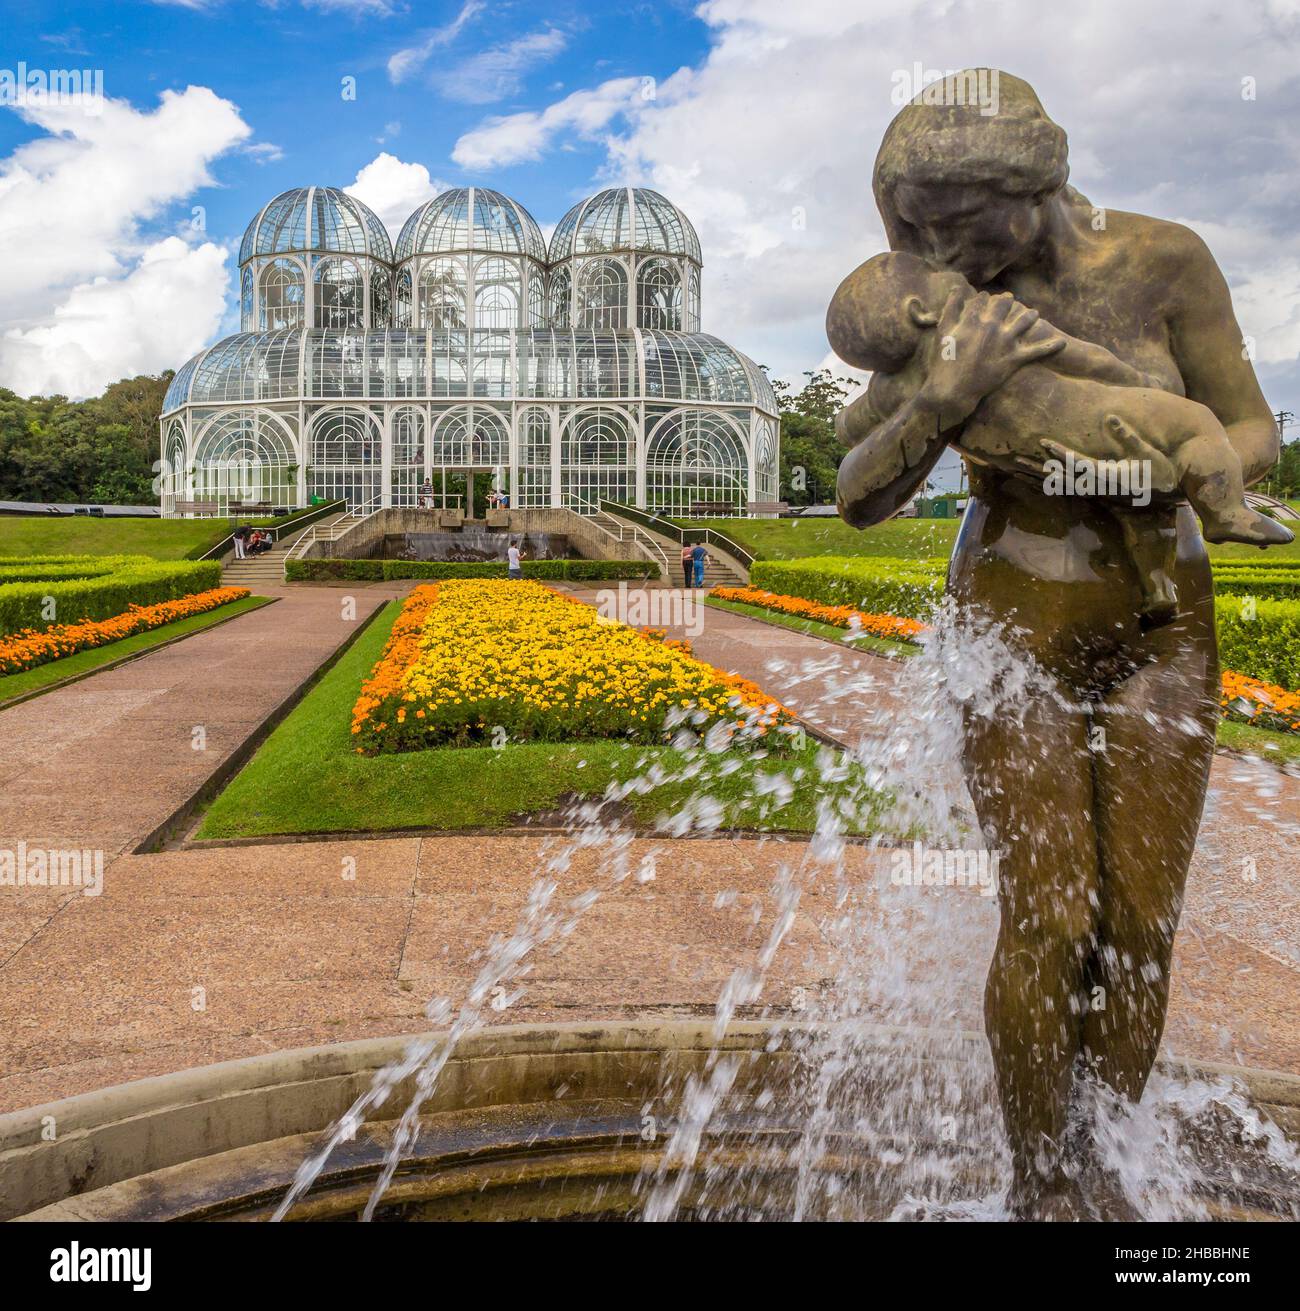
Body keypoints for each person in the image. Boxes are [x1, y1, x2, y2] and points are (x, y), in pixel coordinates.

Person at [835, 71, 1284, 1220]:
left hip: (1158, 615)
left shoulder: (1163, 261)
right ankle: (1041, 1190)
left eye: (950, 223)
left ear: (1032, 190)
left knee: (1138, 920)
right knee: (1051, 915)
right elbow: (856, 491)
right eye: (912, 227)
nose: (931, 248)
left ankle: (1112, 1170)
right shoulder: (934, 302)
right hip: (1011, 613)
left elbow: (1250, 434)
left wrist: (1144, 466)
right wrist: (946, 395)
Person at [829, 250, 1292, 624]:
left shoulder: (895, 385)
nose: (949, 262)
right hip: (1031, 554)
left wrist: (1151, 483)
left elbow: (853, 423)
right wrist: (945, 397)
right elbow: (1084, 358)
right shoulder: (999, 319)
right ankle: (1217, 517)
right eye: (938, 272)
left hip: (1089, 473)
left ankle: (1158, 584)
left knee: (1142, 501)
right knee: (1193, 431)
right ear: (921, 309)